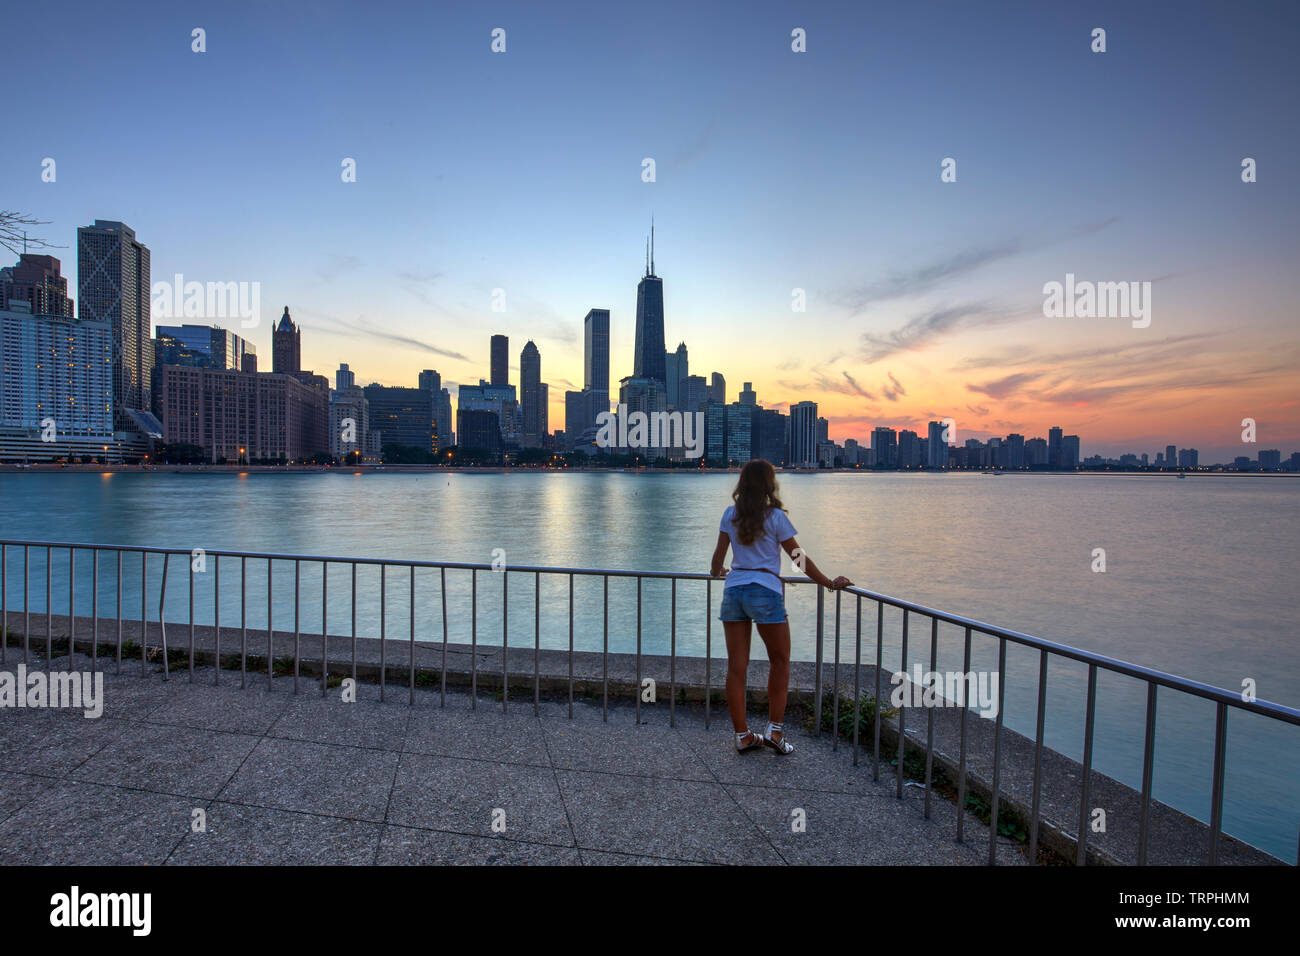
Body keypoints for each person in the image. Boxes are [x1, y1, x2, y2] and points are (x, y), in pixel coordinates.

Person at [710, 459, 852, 755]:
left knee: (737, 667)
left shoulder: (729, 515)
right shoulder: (775, 517)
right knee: (780, 661)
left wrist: (723, 572)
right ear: (769, 484)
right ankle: (774, 731)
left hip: (734, 590)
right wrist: (827, 582)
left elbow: (715, 564)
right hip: (764, 590)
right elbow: (798, 559)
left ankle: (743, 735)